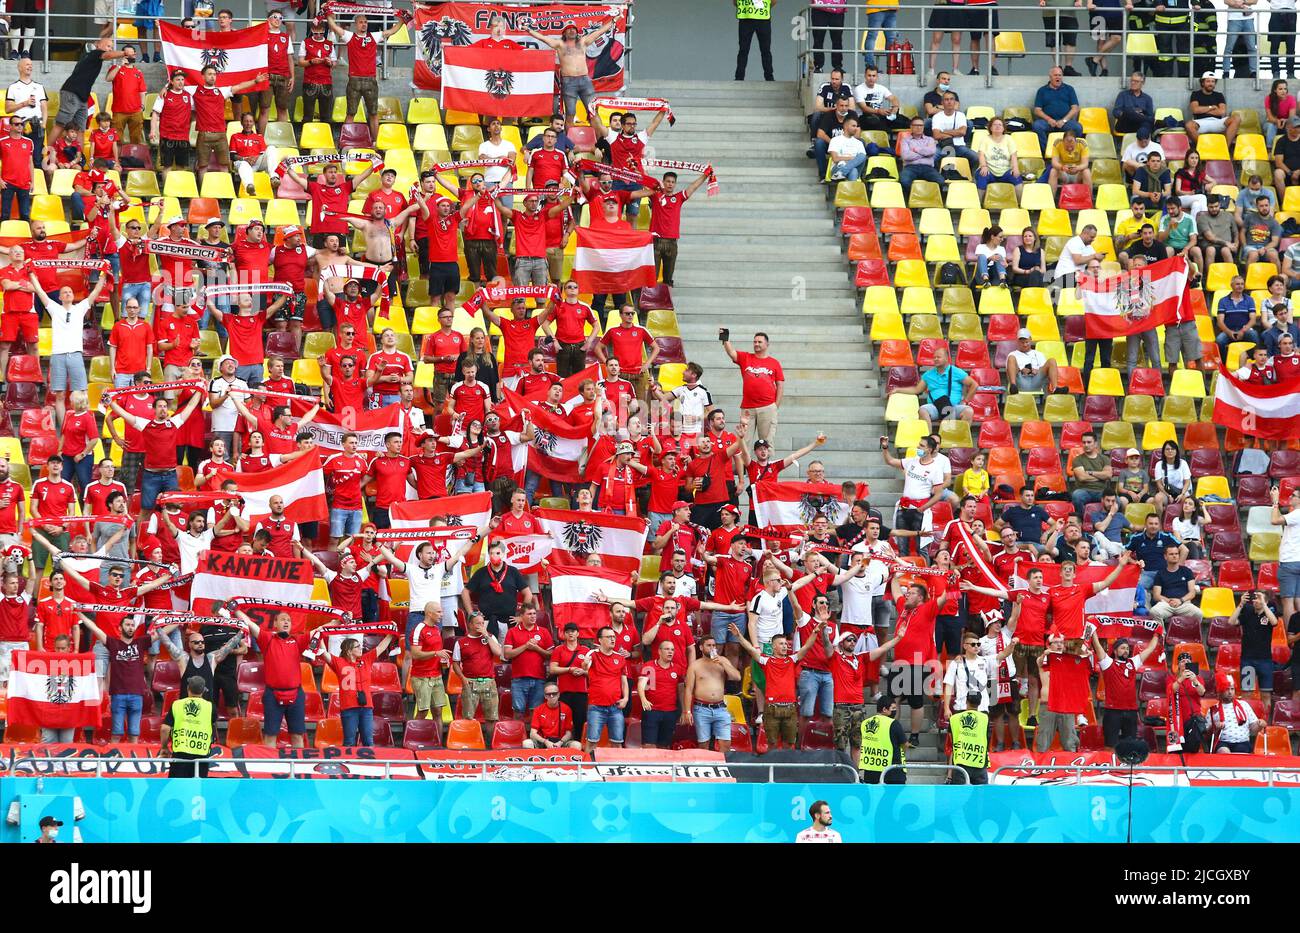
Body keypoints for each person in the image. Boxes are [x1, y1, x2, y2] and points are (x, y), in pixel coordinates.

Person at [732, 620, 824, 750]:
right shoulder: (766, 660)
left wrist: (815, 632)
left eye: (786, 643)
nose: (785, 646)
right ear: (774, 647)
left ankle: (787, 770)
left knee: (789, 744)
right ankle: (772, 770)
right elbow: (750, 649)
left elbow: (806, 647)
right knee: (772, 744)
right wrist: (738, 636)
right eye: (781, 644)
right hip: (771, 709)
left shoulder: (791, 660)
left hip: (790, 708)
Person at [526, 17, 618, 128]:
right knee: (570, 114)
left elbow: (599, 32)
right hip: (569, 82)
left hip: (585, 80)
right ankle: (568, 143)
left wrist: (615, 20)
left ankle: (599, 141)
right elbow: (543, 38)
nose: (572, 31)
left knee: (593, 112)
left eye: (573, 29)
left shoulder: (583, 41)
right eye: (569, 29)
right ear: (564, 32)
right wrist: (529, 30)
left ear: (577, 31)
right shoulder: (560, 44)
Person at [317, 626, 394, 747]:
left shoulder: (366, 659)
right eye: (357, 646)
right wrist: (319, 635)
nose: (361, 648)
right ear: (349, 651)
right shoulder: (339, 662)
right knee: (349, 742)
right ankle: (348, 765)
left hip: (366, 707)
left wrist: (390, 634)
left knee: (368, 741)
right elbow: (324, 653)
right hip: (348, 707)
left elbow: (380, 647)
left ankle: (369, 765)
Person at [720, 330, 784, 447]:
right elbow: (732, 353)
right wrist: (725, 338)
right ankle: (743, 465)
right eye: (754, 342)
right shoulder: (746, 357)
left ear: (767, 344)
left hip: (767, 406)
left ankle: (765, 465)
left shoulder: (774, 363)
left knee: (766, 442)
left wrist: (775, 405)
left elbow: (780, 384)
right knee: (743, 441)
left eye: (760, 342)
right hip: (747, 408)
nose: (756, 344)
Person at [1034, 634, 1094, 752]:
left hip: (1066, 703)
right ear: (1048, 645)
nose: (1059, 645)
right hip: (1048, 704)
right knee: (1043, 738)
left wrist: (1087, 656)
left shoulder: (1070, 660)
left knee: (1069, 739)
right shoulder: (1045, 658)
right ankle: (1040, 766)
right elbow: (1040, 661)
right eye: (1056, 642)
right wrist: (1046, 654)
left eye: (1061, 642)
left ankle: (1071, 765)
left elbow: (1082, 666)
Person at [452, 611, 505, 742]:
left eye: (482, 623)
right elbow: (455, 664)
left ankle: (490, 744)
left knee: (492, 717)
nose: (481, 626)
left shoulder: (490, 637)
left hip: (489, 681)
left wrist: (486, 635)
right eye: (477, 623)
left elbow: (498, 652)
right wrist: (463, 679)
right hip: (470, 682)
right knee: (468, 716)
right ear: (470, 624)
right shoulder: (461, 642)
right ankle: (468, 742)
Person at [583, 625, 630, 751]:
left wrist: (625, 698)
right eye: (609, 637)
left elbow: (624, 681)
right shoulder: (593, 654)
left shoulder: (620, 658)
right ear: (600, 640)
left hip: (615, 707)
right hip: (596, 707)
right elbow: (585, 667)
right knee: (592, 742)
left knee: (617, 743)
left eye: (613, 637)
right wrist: (585, 663)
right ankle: (588, 768)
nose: (612, 639)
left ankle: (617, 769)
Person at [160, 676, 216, 777]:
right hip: (201, 754)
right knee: (197, 789)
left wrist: (164, 747)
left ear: (188, 689)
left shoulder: (177, 704)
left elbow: (165, 728)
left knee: (177, 788)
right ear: (203, 691)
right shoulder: (210, 707)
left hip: (180, 754)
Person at [1231, 590, 1279, 703]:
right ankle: (1247, 719)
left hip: (1265, 660)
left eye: (1258, 598)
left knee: (1266, 694)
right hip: (1247, 660)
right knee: (1247, 693)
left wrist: (1264, 604)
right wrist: (1241, 605)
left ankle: (1265, 720)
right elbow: (1232, 621)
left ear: (1265, 601)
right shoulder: (1248, 612)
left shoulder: (1269, 614)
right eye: (1255, 598)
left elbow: (1274, 622)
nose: (1255, 600)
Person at [637, 640, 682, 749]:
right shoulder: (649, 666)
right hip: (652, 711)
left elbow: (681, 691)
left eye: (672, 649)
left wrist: (685, 710)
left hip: (670, 712)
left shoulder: (678, 669)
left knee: (664, 746)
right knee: (648, 746)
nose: (670, 652)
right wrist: (643, 699)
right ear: (659, 651)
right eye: (667, 649)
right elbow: (641, 684)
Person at [858, 693, 907, 784]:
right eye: (893, 709)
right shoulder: (893, 723)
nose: (895, 711)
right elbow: (905, 744)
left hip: (870, 771)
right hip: (892, 771)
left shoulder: (865, 723)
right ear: (884, 709)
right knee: (894, 797)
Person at [1031, 66, 1083, 152]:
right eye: (1055, 75)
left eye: (1060, 75)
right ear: (1050, 77)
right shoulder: (1042, 90)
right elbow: (1037, 110)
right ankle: (1046, 153)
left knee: (1078, 127)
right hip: (1048, 122)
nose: (1058, 77)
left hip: (1065, 122)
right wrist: (1049, 119)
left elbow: (1075, 108)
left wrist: (1064, 121)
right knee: (1037, 126)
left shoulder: (1069, 89)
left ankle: (1072, 153)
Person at [1208, 671, 1262, 753]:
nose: (1230, 692)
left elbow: (1253, 728)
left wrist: (1259, 724)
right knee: (1224, 752)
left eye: (1232, 689)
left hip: (1242, 742)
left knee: (1240, 752)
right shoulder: (1214, 709)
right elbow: (1207, 734)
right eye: (1227, 689)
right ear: (1220, 691)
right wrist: (1215, 728)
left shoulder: (1244, 705)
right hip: (1222, 742)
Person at [1185, 72, 1242, 149]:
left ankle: (1225, 149)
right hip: (1201, 122)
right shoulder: (1195, 94)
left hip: (1217, 122)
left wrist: (1202, 109)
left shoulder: (1219, 95)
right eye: (1208, 81)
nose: (1211, 84)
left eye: (1213, 81)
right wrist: (1211, 107)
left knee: (1236, 118)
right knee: (1189, 125)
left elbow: (1222, 112)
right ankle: (1204, 148)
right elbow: (1195, 110)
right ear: (1202, 82)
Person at [524, 685, 582, 750]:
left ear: (558, 695)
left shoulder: (566, 709)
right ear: (545, 696)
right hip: (543, 741)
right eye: (548, 694)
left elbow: (569, 733)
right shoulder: (538, 709)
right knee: (527, 743)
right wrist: (545, 742)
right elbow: (532, 734)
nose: (551, 696)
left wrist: (560, 742)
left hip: (561, 742)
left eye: (554, 693)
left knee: (577, 745)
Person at [898, 117, 942, 197]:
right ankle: (912, 202)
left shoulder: (930, 140)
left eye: (921, 125)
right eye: (916, 125)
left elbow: (931, 152)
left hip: (928, 168)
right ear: (911, 127)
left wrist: (915, 150)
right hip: (910, 167)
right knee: (904, 181)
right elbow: (906, 156)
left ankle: (930, 200)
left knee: (940, 181)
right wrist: (924, 154)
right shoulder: (905, 140)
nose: (919, 127)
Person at [733, 0, 775, 82]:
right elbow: (735, 2)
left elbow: (773, 1)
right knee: (744, 50)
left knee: (765, 50)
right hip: (747, 19)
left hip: (761, 19)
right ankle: (739, 77)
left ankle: (769, 77)